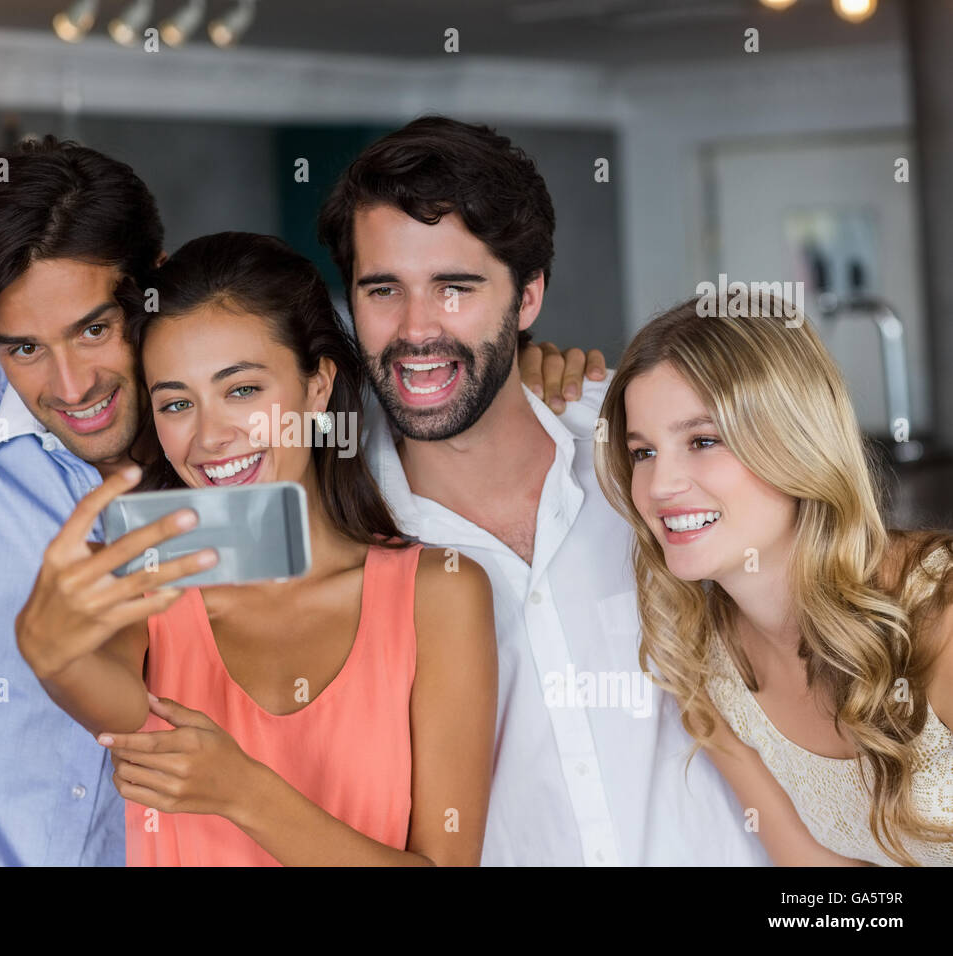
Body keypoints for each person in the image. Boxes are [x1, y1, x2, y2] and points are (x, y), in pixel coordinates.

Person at [0, 133, 589, 865]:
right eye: (21, 347)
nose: (70, 385)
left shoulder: (270, 464)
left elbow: (436, 404)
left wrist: (553, 381)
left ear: (150, 293)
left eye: (94, 328)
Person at [317, 115, 769, 865]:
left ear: (527, 299)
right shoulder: (341, 526)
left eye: (455, 287)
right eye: (383, 289)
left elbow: (821, 584)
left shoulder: (645, 450)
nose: (415, 328)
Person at [15, 232, 498, 865]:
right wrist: (48, 653)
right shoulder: (153, 585)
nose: (211, 436)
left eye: (241, 390)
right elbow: (109, 702)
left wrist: (245, 794)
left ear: (318, 387)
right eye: (177, 403)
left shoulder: (440, 592)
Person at [593, 293, 953, 866]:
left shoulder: (939, 613)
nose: (659, 487)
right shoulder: (702, 657)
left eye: (703, 441)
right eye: (643, 453)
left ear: (794, 442)